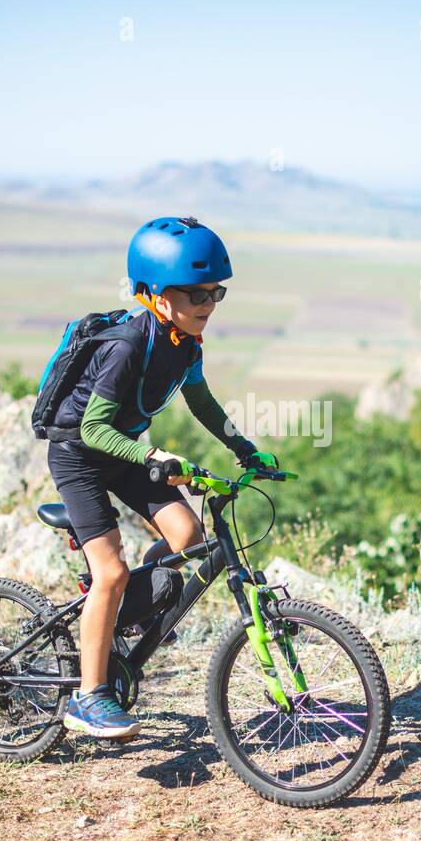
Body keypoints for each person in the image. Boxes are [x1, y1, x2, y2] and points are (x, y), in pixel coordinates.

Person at [48, 216, 278, 739]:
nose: (208, 303)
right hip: (80, 453)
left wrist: (244, 449)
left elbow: (200, 401)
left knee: (189, 538)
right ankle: (88, 697)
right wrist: (153, 455)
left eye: (216, 292)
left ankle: (125, 614)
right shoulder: (128, 347)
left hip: (125, 450)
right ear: (153, 293)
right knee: (110, 571)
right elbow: (92, 428)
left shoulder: (185, 343)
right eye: (195, 292)